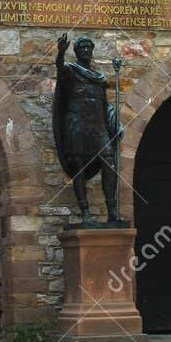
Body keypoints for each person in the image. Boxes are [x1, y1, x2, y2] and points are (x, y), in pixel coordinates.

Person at [52, 33, 124, 223]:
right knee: (79, 168)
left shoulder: (99, 78)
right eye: (82, 48)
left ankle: (112, 210)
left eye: (89, 48)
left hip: (98, 126)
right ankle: (85, 212)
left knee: (110, 164)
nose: (86, 51)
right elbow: (59, 68)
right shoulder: (71, 71)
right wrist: (60, 53)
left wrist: (115, 122)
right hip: (76, 124)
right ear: (76, 52)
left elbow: (104, 104)